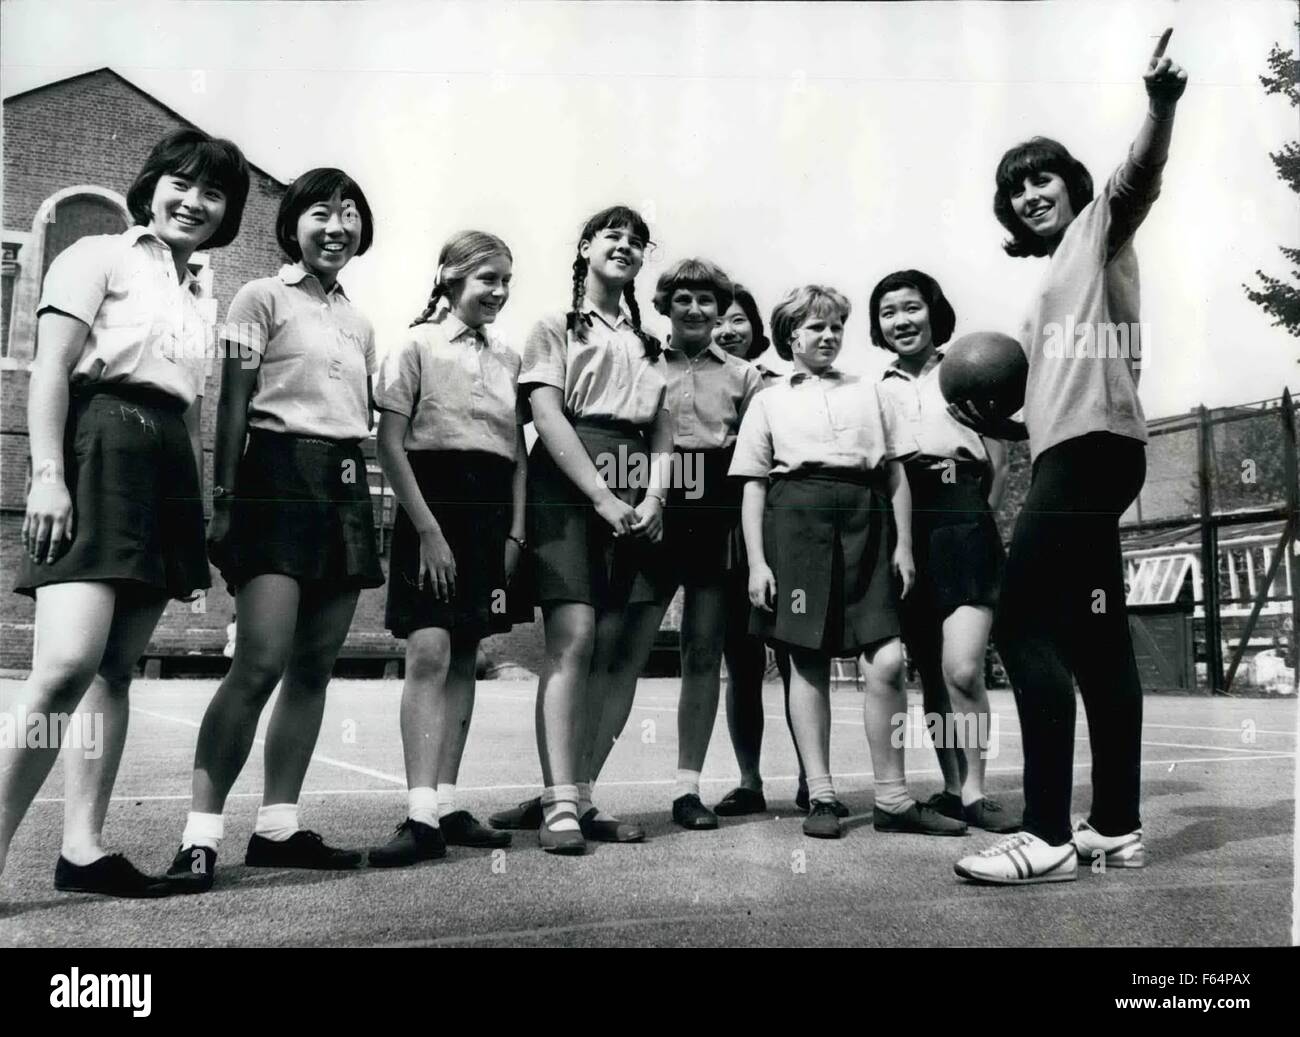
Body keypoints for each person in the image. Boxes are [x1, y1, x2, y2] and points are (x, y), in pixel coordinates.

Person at [954, 30, 1186, 884]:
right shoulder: (1051, 282)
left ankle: (1046, 832)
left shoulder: (1098, 229)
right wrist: (1002, 421)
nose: (1029, 194)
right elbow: (1042, 398)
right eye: (1015, 188)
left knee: (1021, 622)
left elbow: (1140, 177)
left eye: (1041, 177)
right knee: (1096, 641)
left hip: (1093, 452)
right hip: (1085, 448)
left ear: (1072, 185)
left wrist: (1159, 106)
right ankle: (1115, 825)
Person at [0, 129, 250, 896]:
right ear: (152, 186)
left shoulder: (202, 294)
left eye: (213, 193)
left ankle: (82, 847)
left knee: (114, 670)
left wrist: (203, 504)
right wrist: (48, 474)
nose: (195, 201)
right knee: (63, 669)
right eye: (182, 182)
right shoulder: (97, 256)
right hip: (96, 443)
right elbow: (49, 366)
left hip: (165, 460)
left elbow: (196, 408)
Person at [165, 168, 382, 892]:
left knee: (314, 666)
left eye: (350, 214)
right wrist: (223, 496)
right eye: (322, 211)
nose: (337, 226)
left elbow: (363, 420)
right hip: (274, 478)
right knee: (259, 660)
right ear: (293, 223)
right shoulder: (258, 297)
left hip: (344, 485)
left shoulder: (361, 321)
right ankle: (199, 835)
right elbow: (232, 402)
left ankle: (279, 826)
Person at [730, 286, 967, 840]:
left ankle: (892, 798)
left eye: (836, 326)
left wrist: (903, 545)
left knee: (885, 660)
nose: (828, 336)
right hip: (795, 525)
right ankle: (823, 794)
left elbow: (895, 475)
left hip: (866, 522)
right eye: (815, 327)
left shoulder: (872, 392)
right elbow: (753, 487)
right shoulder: (767, 400)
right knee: (806, 662)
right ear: (790, 335)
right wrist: (758, 564)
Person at [490, 206, 672, 855]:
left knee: (618, 646)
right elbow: (544, 410)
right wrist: (599, 496)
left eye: (636, 240)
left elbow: (663, 429)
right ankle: (560, 803)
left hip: (633, 484)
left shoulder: (652, 343)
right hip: (569, 486)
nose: (624, 245)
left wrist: (651, 495)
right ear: (586, 248)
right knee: (575, 636)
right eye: (611, 235)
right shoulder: (553, 325)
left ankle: (580, 794)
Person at [369, 231, 524, 866]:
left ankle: (448, 803)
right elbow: (388, 445)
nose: (499, 291)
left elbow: (517, 456)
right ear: (450, 278)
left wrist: (516, 533)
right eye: (487, 277)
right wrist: (428, 531)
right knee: (429, 651)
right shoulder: (415, 344)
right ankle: (419, 813)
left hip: (491, 513)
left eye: (506, 280)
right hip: (432, 504)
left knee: (467, 653)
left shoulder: (512, 358)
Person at [872, 269, 1021, 833]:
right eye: (888, 312)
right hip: (904, 529)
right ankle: (953, 788)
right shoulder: (876, 388)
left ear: (933, 311)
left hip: (963, 518)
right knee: (931, 676)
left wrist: (974, 518)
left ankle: (979, 790)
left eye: (910, 308)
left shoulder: (968, 369)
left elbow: (999, 465)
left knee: (962, 669)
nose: (901, 321)